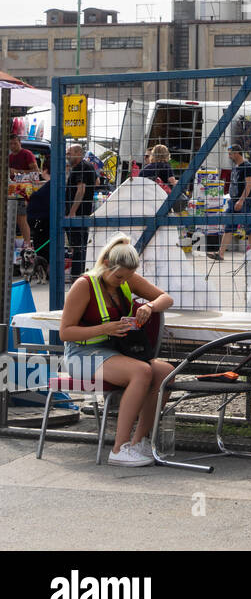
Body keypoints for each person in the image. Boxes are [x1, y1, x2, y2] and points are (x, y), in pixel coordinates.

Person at [59, 234, 174, 466]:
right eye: (120, 276)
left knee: (165, 372)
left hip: (114, 352)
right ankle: (119, 449)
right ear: (105, 265)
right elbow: (66, 332)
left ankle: (139, 442)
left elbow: (166, 298)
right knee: (141, 372)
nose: (125, 281)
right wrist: (105, 328)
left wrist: (149, 306)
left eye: (129, 276)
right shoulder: (84, 285)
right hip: (81, 356)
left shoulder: (126, 277)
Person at [212, 145, 251, 261]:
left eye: (230, 153)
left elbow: (249, 185)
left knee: (249, 228)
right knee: (229, 227)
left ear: (237, 153)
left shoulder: (248, 167)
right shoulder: (236, 167)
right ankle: (220, 254)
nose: (229, 156)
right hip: (233, 201)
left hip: (245, 202)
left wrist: (241, 200)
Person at [66, 142, 98, 278]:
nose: (67, 155)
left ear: (79, 153)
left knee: (77, 246)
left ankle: (77, 276)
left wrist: (72, 211)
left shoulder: (80, 167)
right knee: (81, 244)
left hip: (78, 214)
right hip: (84, 211)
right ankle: (82, 274)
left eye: (69, 152)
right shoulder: (88, 166)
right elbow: (97, 182)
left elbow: (81, 190)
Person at [8, 133, 40, 255]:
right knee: (13, 218)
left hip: (24, 192)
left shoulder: (27, 154)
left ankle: (27, 245)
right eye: (11, 144)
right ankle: (16, 244)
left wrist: (18, 172)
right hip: (12, 191)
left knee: (21, 219)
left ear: (20, 143)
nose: (13, 146)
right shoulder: (10, 157)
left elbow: (36, 171)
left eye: (15, 143)